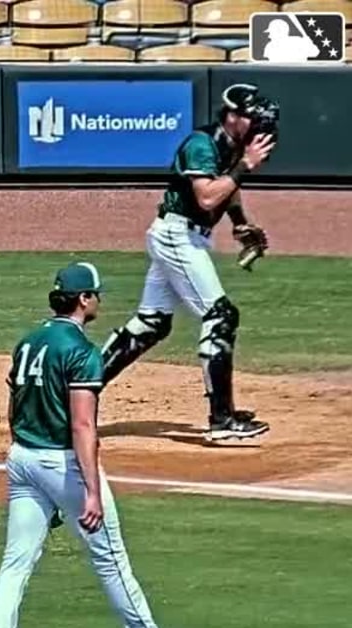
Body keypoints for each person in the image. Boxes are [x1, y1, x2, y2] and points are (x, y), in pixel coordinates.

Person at [0, 263, 208, 628]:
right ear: (84, 300)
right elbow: (84, 425)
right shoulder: (82, 352)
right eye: (96, 294)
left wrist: (31, 467)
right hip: (62, 465)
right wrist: (90, 491)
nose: (99, 299)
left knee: (15, 565)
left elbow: (15, 408)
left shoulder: (29, 342)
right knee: (111, 560)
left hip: (22, 458)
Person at [98, 83, 279, 443]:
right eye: (251, 116)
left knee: (151, 324)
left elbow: (227, 189)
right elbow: (208, 196)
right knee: (221, 315)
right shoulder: (201, 143)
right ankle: (221, 420)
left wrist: (240, 222)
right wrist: (246, 165)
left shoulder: (229, 146)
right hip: (177, 236)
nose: (258, 123)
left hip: (187, 235)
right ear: (231, 117)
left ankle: (77, 388)